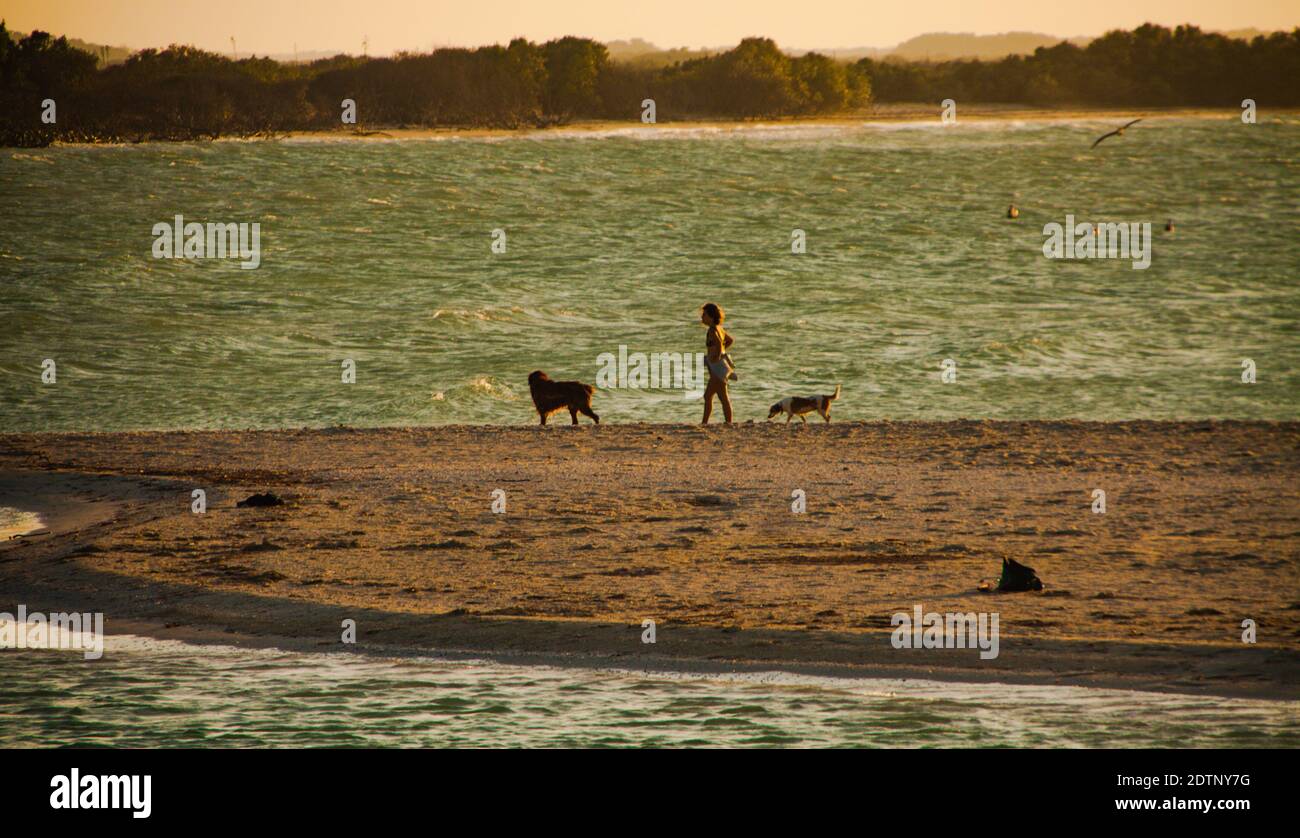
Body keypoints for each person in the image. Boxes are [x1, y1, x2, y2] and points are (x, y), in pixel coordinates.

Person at [700, 302, 734, 424]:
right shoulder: (720, 329)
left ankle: (704, 423)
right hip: (721, 367)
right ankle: (729, 422)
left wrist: (717, 356)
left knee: (708, 396)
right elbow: (729, 340)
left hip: (717, 368)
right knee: (722, 397)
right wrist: (721, 352)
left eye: (704, 315)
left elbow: (719, 343)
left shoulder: (712, 330)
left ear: (711, 316)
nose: (702, 317)